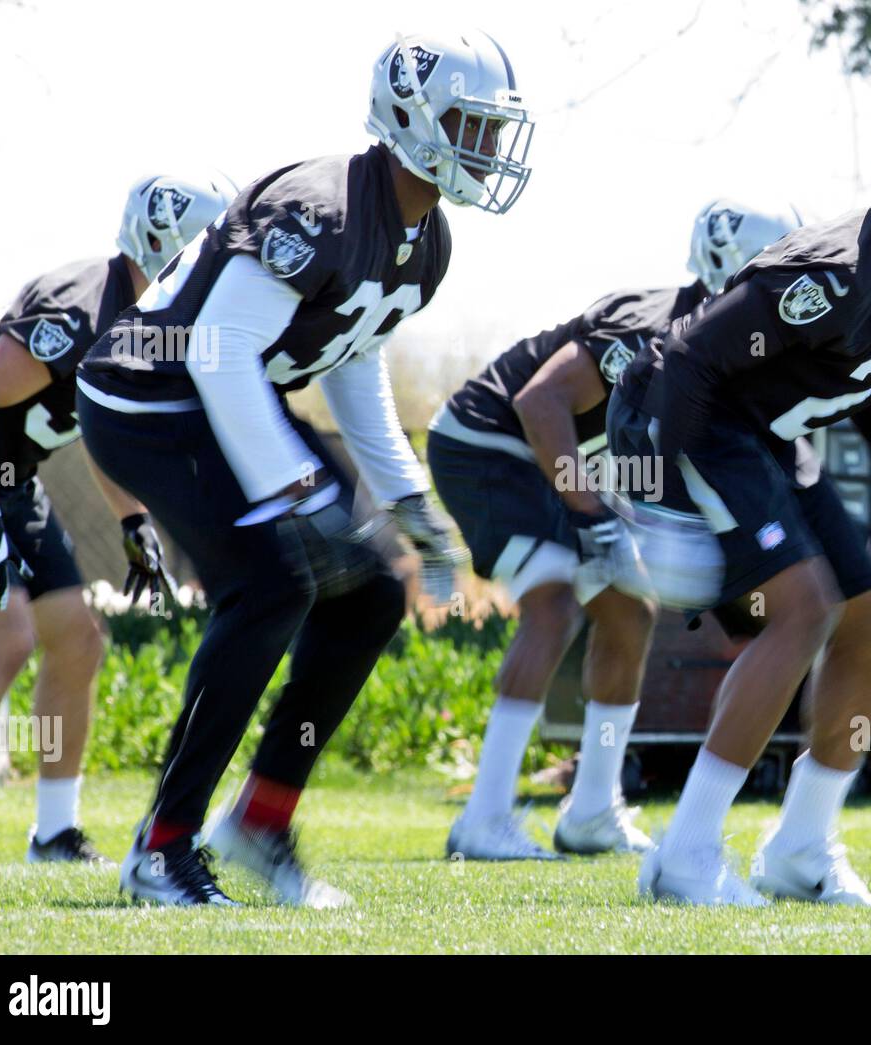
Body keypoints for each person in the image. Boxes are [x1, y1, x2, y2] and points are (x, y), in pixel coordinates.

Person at [75, 29, 535, 906]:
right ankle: (163, 844)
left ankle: (261, 817)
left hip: (223, 395)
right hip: (147, 396)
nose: (487, 148)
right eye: (470, 125)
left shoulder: (424, 240)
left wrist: (410, 504)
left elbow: (354, 364)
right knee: (275, 584)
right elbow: (217, 350)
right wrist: (295, 492)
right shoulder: (319, 206)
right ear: (412, 115)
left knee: (366, 593)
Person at [607, 74, 871, 906]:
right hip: (690, 416)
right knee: (801, 610)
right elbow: (690, 361)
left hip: (765, 434)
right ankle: (686, 853)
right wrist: (661, 500)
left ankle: (802, 847)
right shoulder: (836, 268)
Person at [429, 200, 805, 859]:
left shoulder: (728, 349)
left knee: (630, 617)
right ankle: (484, 817)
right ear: (730, 269)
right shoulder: (654, 327)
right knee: (552, 605)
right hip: (491, 445)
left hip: (560, 463)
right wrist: (594, 516)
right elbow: (538, 402)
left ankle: (593, 809)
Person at [0, 172, 235, 865]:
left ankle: (54, 832)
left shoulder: (145, 322)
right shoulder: (81, 309)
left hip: (11, 479)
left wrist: (134, 523)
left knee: (78, 638)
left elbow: (95, 428)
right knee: (5, 635)